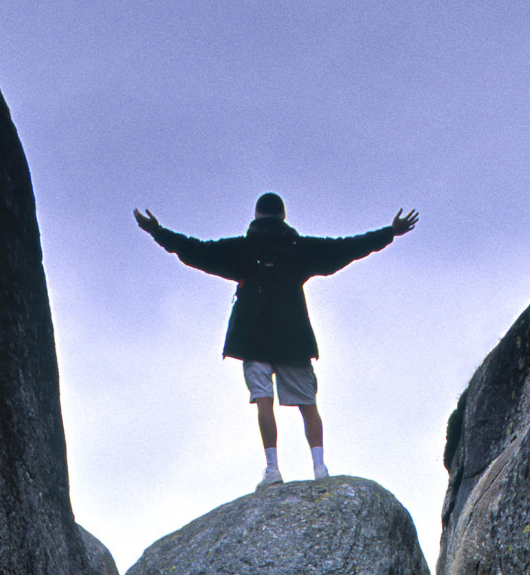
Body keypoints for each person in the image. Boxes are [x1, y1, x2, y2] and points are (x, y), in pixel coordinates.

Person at [134, 193, 418, 485]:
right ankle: (319, 468)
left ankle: (273, 470)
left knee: (263, 401)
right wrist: (389, 233)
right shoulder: (300, 248)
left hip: (251, 336)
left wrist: (157, 232)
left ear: (256, 216)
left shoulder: (242, 249)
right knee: (308, 404)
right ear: (283, 217)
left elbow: (194, 250)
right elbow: (346, 247)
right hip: (292, 335)